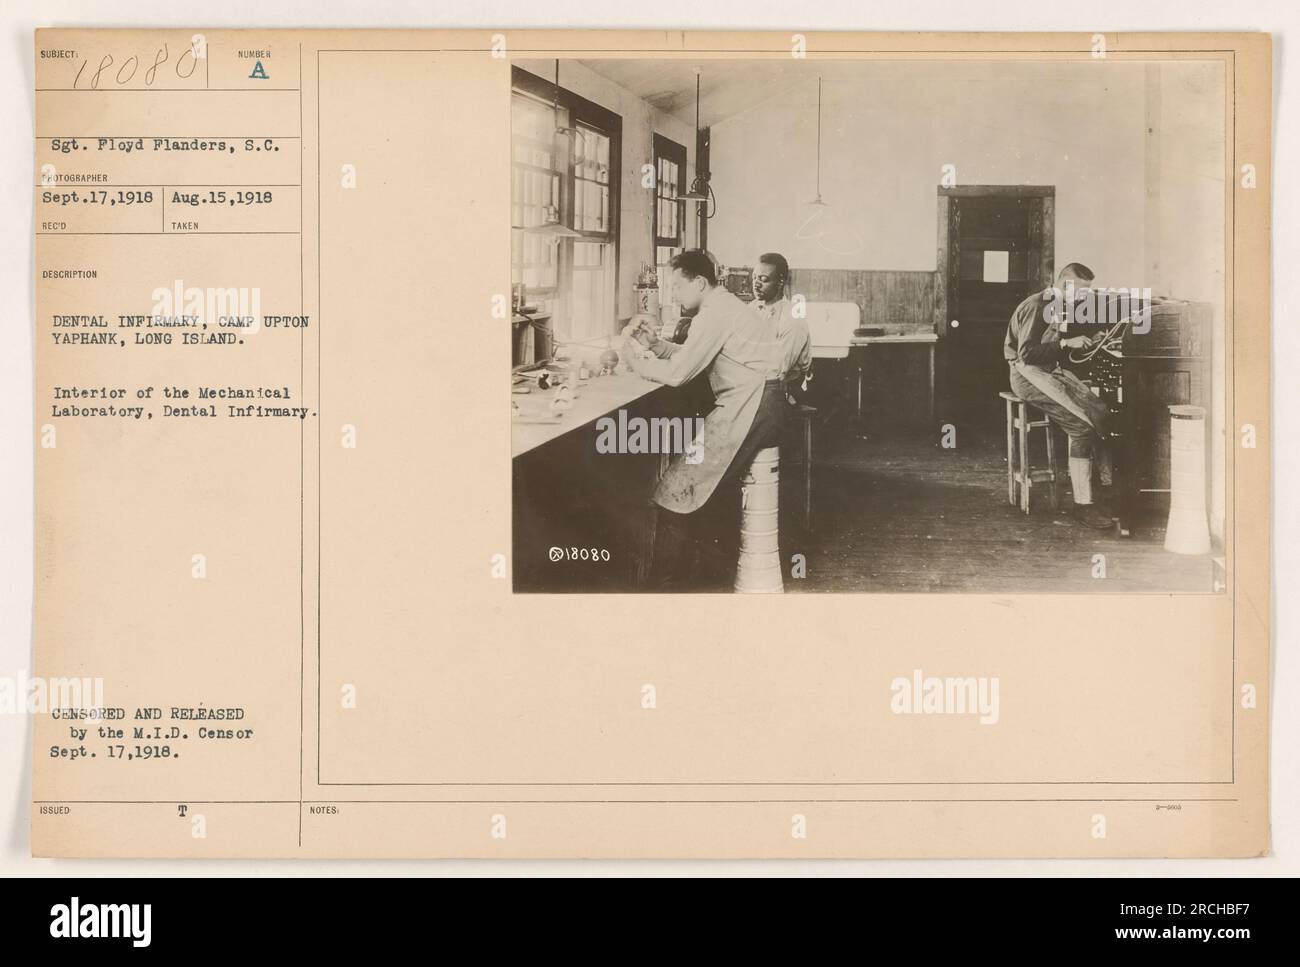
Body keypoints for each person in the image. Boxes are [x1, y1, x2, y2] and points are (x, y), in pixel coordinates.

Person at [626, 250, 788, 588]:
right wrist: (655, 345)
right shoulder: (721, 306)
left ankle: (662, 591)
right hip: (758, 402)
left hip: (752, 405)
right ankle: (696, 580)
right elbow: (692, 356)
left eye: (677, 287)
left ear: (700, 283)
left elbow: (678, 375)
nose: (673, 295)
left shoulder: (714, 315)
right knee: (695, 490)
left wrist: (634, 360)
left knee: (674, 492)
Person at [1004, 263, 1114, 529]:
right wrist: (1066, 344)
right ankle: (1083, 505)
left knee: (1101, 413)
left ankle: (1107, 488)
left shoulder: (1060, 304)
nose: (1085, 297)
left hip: (1049, 370)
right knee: (1081, 426)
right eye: (1082, 291)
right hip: (1027, 375)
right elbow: (1027, 354)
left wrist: (1090, 337)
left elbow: (1055, 342)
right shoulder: (1037, 306)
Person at [751, 252, 812, 400]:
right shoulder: (752, 308)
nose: (756, 284)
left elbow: (778, 370)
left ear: (780, 282)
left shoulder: (793, 318)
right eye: (754, 278)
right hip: (756, 382)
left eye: (764, 279)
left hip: (782, 389)